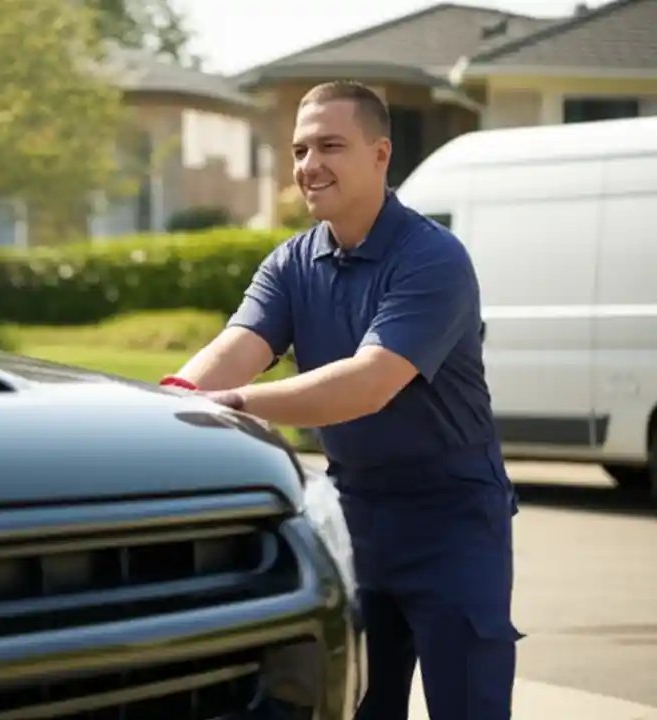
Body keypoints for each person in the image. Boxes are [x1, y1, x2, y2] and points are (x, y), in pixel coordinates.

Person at [162, 81, 522, 719]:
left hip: (454, 521)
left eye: (330, 145)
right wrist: (164, 404)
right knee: (355, 707)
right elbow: (236, 346)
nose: (309, 165)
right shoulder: (290, 263)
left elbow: (369, 382)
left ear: (381, 155)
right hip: (353, 517)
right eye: (300, 149)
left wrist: (234, 405)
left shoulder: (432, 259)